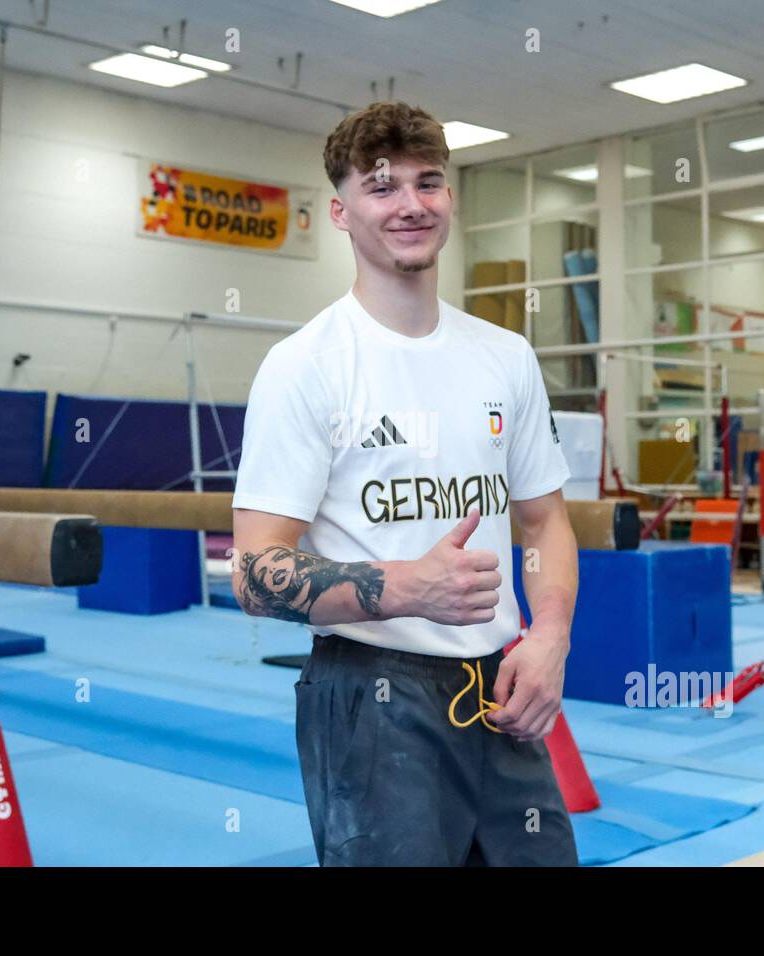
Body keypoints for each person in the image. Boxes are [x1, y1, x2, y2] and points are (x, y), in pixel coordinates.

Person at [230, 102, 580, 866]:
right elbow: (254, 574)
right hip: (370, 697)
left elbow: (544, 521)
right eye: (382, 187)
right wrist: (405, 587)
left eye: (429, 183)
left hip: (499, 688)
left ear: (450, 197)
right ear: (341, 212)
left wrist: (549, 636)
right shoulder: (307, 366)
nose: (411, 205)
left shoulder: (505, 356)